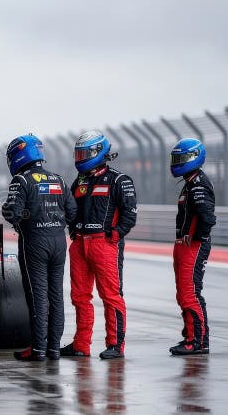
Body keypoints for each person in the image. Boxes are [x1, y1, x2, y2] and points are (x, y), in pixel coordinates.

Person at [61, 130, 137, 360]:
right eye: (79, 153)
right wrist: (73, 230)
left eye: (85, 153)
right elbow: (70, 209)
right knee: (79, 296)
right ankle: (81, 345)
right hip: (79, 244)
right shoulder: (79, 181)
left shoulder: (119, 180)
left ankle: (115, 345)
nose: (81, 158)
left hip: (104, 245)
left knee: (111, 296)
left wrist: (115, 235)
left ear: (98, 152)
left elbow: (130, 214)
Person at [2, 134, 76, 361]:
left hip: (35, 243)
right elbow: (72, 213)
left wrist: (9, 210)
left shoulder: (21, 180)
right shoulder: (58, 179)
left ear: (18, 156)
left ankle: (38, 350)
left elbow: (13, 213)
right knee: (56, 297)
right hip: (58, 243)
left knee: (37, 297)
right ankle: (53, 349)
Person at [168, 138, 216, 355]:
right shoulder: (190, 183)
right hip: (184, 245)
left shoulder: (199, 184)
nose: (177, 162)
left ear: (194, 158)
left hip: (194, 247)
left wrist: (196, 237)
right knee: (183, 294)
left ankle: (198, 341)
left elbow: (208, 218)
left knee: (190, 293)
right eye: (176, 158)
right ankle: (191, 336)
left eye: (181, 158)